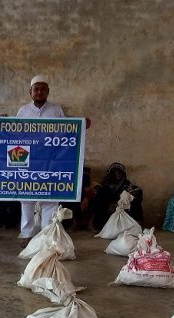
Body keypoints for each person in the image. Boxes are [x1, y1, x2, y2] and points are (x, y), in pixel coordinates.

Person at [16, 75, 91, 246]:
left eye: (43, 89)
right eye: (36, 89)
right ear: (30, 92)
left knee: (50, 197)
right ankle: (27, 234)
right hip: (29, 162)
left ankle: (47, 235)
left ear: (48, 91)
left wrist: (81, 126)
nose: (39, 92)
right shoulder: (23, 111)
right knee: (26, 198)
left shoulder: (56, 111)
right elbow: (15, 135)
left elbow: (66, 133)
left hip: (50, 162)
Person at [89, 162, 144, 231]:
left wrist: (120, 204)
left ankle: (138, 225)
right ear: (111, 173)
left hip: (122, 209)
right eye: (116, 172)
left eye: (120, 173)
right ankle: (96, 225)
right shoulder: (105, 184)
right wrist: (110, 205)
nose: (119, 174)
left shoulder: (126, 184)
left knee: (135, 201)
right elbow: (97, 192)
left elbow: (137, 191)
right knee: (98, 198)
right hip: (108, 209)